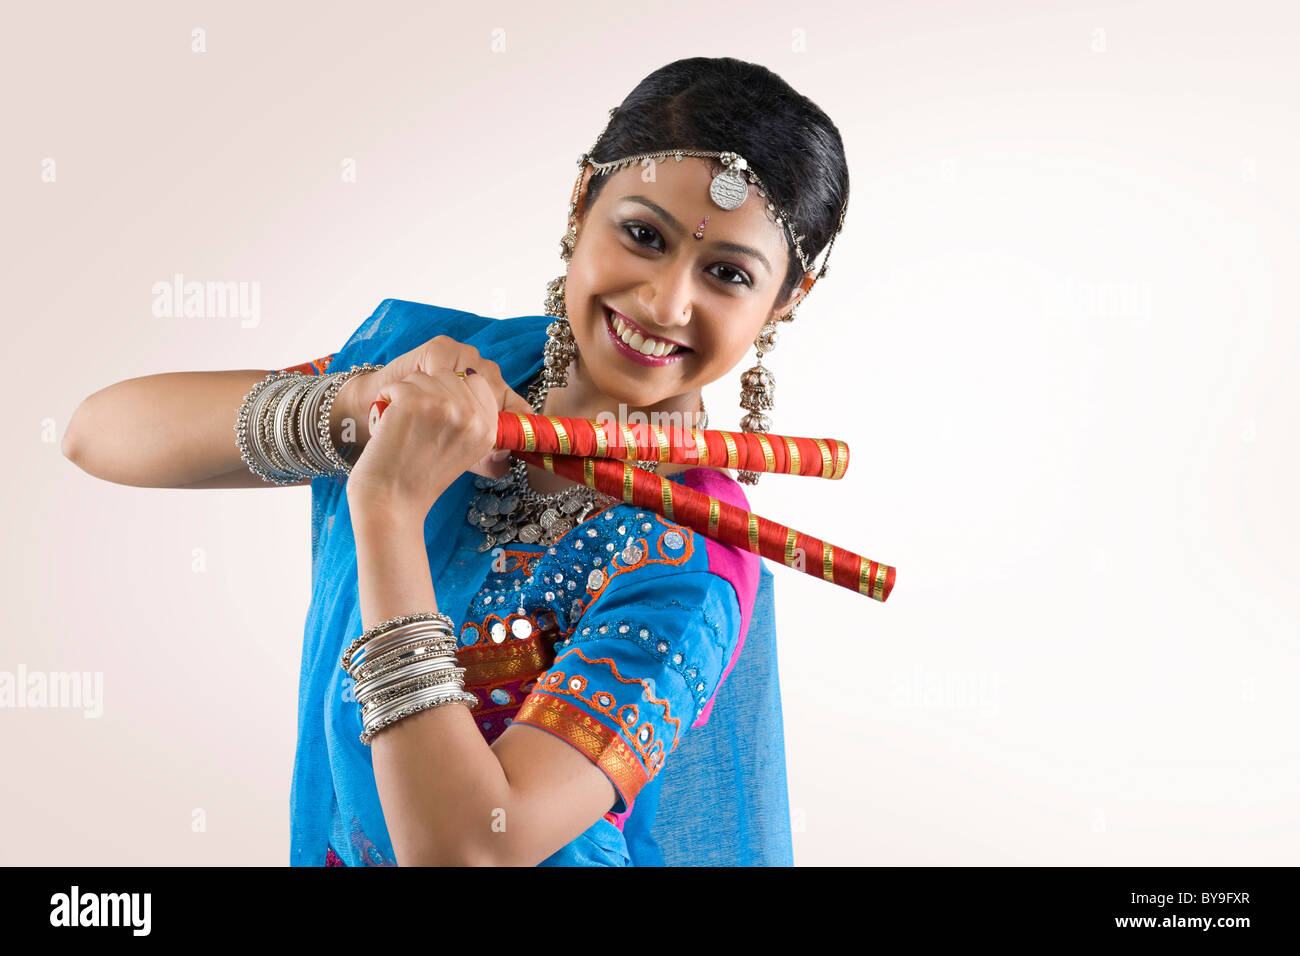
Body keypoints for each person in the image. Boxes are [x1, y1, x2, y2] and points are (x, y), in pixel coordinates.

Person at [62, 56, 850, 866]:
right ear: (583, 199)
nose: (664, 302)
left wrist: (390, 509)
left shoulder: (690, 560)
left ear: (787, 298)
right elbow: (97, 433)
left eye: (726, 274)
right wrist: (359, 402)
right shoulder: (436, 368)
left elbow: (466, 849)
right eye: (642, 235)